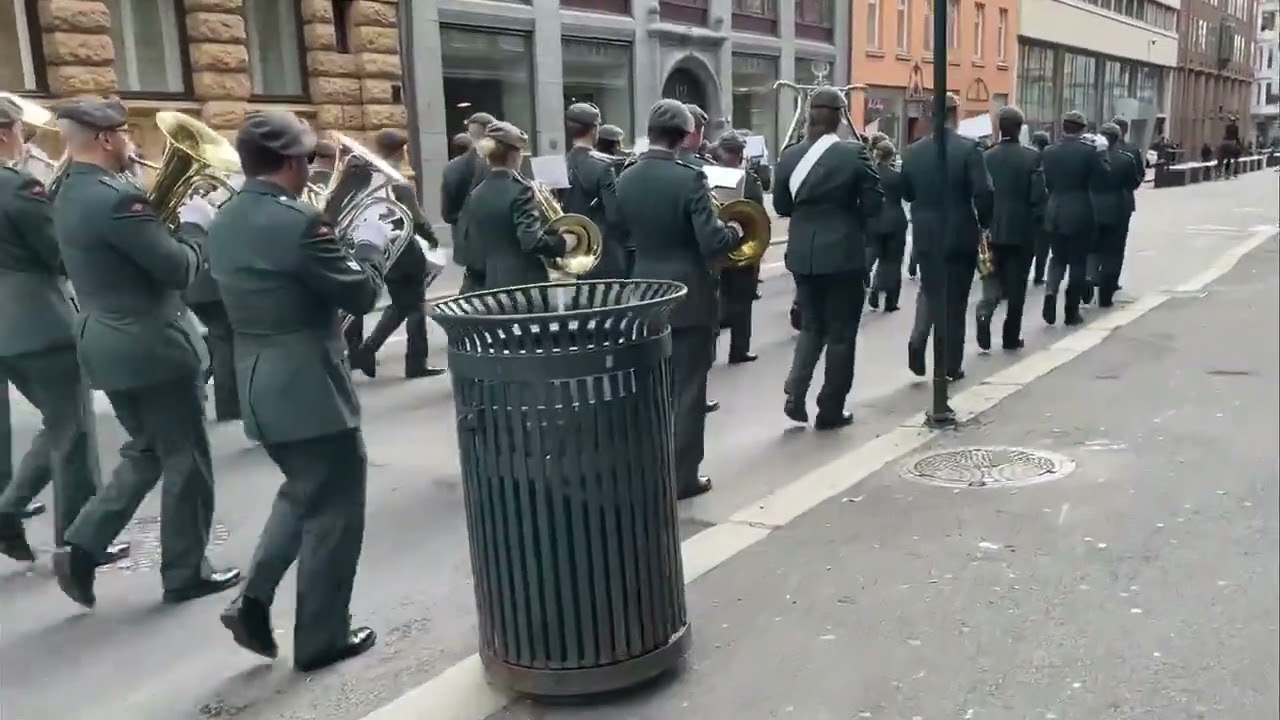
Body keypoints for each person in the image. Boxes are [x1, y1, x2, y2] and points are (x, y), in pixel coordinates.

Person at [49, 97, 240, 608]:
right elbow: (179, 269)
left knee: (148, 451)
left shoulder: (69, 191)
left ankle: (82, 545)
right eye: (128, 137)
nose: (135, 147)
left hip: (108, 343)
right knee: (187, 461)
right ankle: (184, 571)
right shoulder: (119, 200)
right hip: (153, 346)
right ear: (108, 139)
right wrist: (198, 223)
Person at [208, 110, 381, 671]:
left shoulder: (225, 214)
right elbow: (358, 294)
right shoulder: (300, 221)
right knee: (335, 511)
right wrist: (373, 248)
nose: (312, 166)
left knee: (302, 492)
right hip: (309, 387)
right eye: (307, 157)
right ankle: (321, 638)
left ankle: (253, 603)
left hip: (258, 379)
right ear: (288, 161)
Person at [616, 99, 743, 499]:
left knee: (653, 389)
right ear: (686, 135)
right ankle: (683, 477)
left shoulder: (627, 177)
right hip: (688, 294)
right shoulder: (690, 177)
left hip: (642, 292)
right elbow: (712, 241)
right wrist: (735, 231)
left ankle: (649, 467)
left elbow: (620, 233)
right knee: (688, 391)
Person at [0, 97, 102, 562]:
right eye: (23, 130)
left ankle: (12, 509)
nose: (26, 140)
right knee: (74, 429)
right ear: (6, 133)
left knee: (60, 425)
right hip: (40, 321)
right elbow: (58, 255)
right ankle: (78, 538)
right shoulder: (19, 187)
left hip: (10, 327)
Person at [773, 87, 883, 427]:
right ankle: (830, 409)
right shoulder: (853, 154)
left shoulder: (789, 156)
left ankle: (795, 390)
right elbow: (875, 205)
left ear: (808, 117)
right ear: (839, 118)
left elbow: (781, 206)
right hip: (842, 257)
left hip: (803, 256)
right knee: (840, 334)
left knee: (811, 326)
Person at [900, 93, 994, 381]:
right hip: (958, 232)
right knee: (955, 302)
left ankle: (918, 339)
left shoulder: (913, 152)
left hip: (926, 234)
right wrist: (984, 223)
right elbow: (984, 192)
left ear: (928, 115)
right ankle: (949, 364)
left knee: (930, 290)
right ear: (955, 114)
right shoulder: (969, 149)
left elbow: (907, 192)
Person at [348, 129, 446, 380]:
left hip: (381, 247)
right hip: (405, 249)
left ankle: (384, 354)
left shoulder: (365, 179)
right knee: (412, 305)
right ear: (401, 151)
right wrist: (432, 238)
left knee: (406, 304)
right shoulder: (398, 182)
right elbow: (416, 219)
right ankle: (393, 356)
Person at [461, 122, 576, 290]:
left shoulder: (477, 194)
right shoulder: (521, 190)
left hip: (492, 282)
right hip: (525, 283)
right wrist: (563, 243)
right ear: (514, 155)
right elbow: (530, 241)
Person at [975, 106, 1046, 352]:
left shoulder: (986, 156)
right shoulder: (1032, 157)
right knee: (1017, 288)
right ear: (1020, 128)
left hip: (992, 230)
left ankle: (984, 312)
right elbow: (1038, 197)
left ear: (999, 128)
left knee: (991, 279)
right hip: (1021, 232)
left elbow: (981, 194)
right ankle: (1010, 336)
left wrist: (985, 223)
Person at [1040, 109, 1108, 326]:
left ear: (1063, 127)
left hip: (1055, 210)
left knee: (1057, 257)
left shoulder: (1049, 151)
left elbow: (1047, 183)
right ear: (1082, 129)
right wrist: (1102, 153)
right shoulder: (1089, 152)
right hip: (1080, 211)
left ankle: (1050, 292)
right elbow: (1102, 176)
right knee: (1078, 262)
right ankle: (1071, 311)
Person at [560, 103, 628, 279]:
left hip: (572, 252)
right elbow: (614, 216)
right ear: (594, 129)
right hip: (604, 254)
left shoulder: (560, 164)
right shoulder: (604, 166)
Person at [713, 131, 764, 363]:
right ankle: (739, 349)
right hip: (742, 243)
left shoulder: (706, 174)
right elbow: (759, 213)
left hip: (715, 243)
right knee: (742, 300)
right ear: (741, 154)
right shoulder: (749, 179)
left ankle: (710, 352)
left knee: (715, 296)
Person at [441, 112, 496, 293]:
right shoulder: (500, 165)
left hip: (467, 244)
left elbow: (447, 215)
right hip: (497, 244)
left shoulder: (451, 168)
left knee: (474, 287)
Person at [1090, 122, 1143, 308]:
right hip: (1118, 209)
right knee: (1114, 252)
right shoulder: (1126, 158)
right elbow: (1134, 182)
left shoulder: (1090, 157)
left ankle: (1089, 278)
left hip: (1092, 207)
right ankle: (1106, 293)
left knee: (1092, 248)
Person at [866, 139, 908, 313]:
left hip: (875, 221)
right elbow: (908, 195)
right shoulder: (897, 177)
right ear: (891, 157)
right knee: (893, 262)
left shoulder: (870, 175)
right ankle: (891, 301)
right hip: (896, 222)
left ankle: (874, 290)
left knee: (877, 257)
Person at [1108, 117, 1144, 292]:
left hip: (1094, 202)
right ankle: (1112, 279)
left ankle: (1094, 275)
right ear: (1125, 131)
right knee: (1117, 244)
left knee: (1095, 243)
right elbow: (1138, 176)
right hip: (1122, 202)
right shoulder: (1132, 150)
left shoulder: (1094, 151)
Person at [1029, 131, 1052, 285]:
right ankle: (1039, 275)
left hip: (1030, 207)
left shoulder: (1029, 157)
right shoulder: (1051, 158)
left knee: (1029, 243)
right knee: (1043, 245)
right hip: (1047, 207)